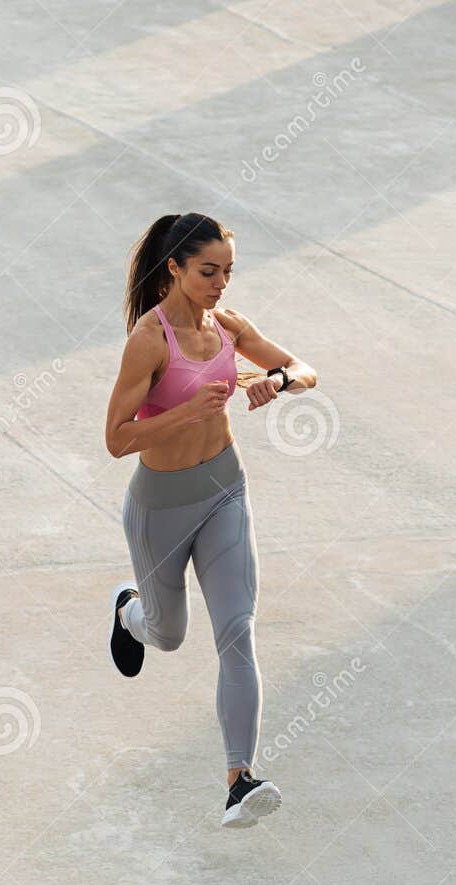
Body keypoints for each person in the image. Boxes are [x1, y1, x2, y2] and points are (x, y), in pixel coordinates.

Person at [104, 212, 318, 827]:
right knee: (167, 634)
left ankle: (239, 779)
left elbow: (305, 369)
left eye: (228, 271)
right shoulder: (149, 340)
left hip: (225, 489)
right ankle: (129, 611)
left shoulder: (227, 325)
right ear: (174, 267)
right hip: (160, 507)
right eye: (208, 271)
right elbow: (118, 439)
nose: (221, 283)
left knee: (237, 632)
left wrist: (274, 381)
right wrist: (187, 410)